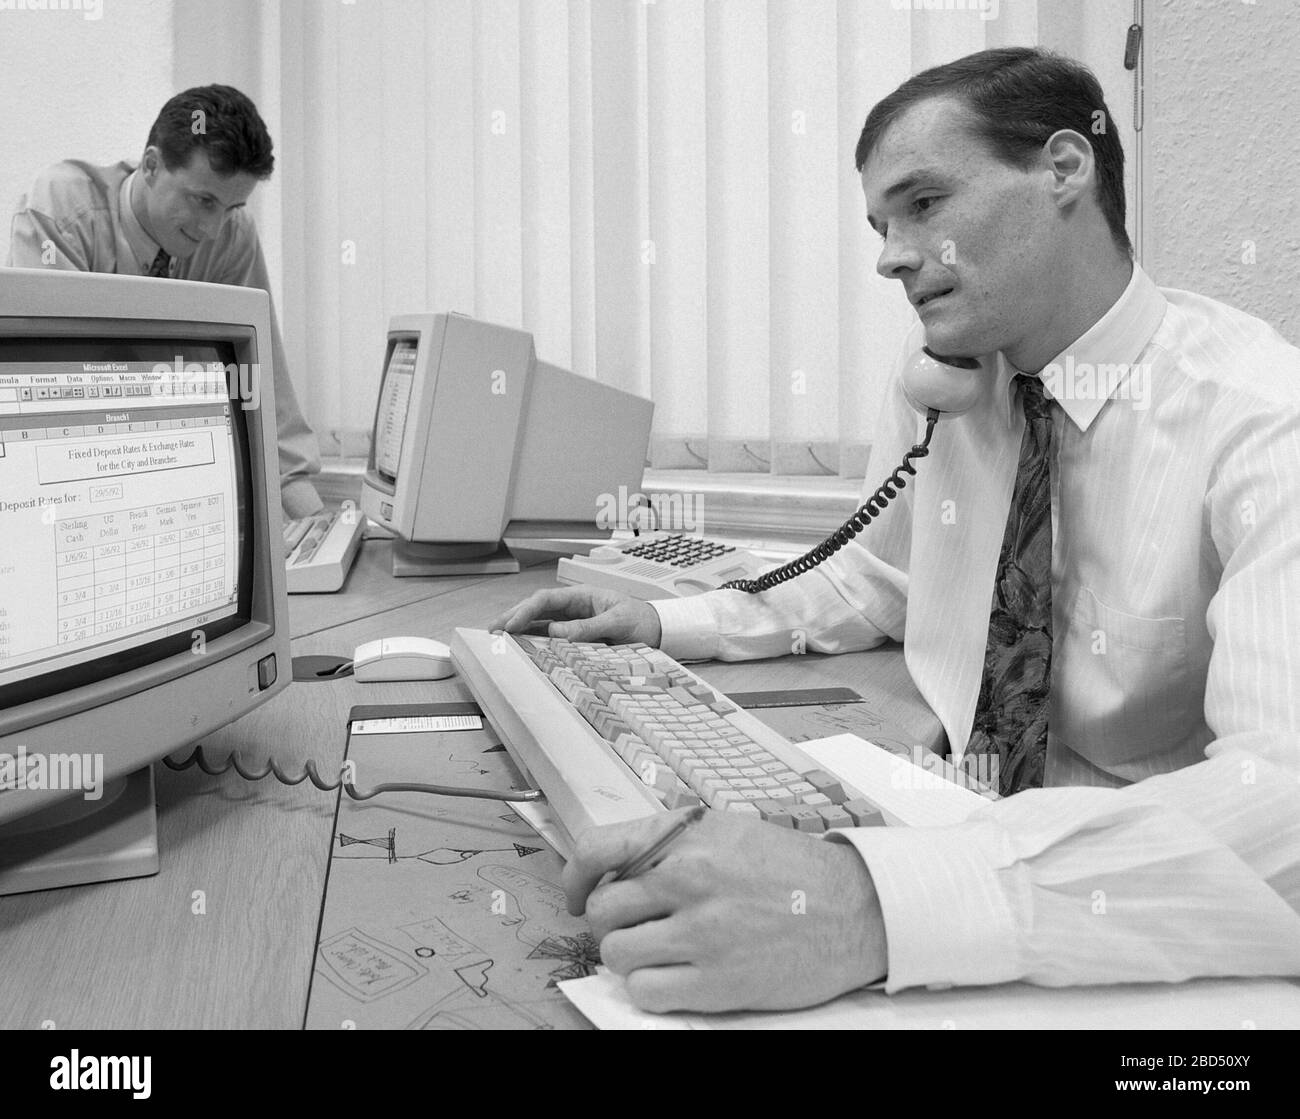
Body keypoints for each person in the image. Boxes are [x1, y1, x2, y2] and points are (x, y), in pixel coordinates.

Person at [494, 47, 1300, 1013]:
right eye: (880, 225)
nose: (889, 255)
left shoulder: (1261, 417)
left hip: (1130, 895)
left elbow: (1280, 794)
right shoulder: (948, 384)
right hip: (944, 800)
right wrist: (670, 625)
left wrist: (869, 902)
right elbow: (873, 579)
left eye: (923, 203)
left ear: (1063, 169)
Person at [6, 84, 324, 518]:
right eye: (204, 201)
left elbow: (260, 383)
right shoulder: (63, 207)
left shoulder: (232, 235)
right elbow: (53, 397)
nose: (213, 230)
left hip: (171, 482)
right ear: (152, 165)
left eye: (231, 208)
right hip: (69, 490)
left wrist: (319, 527)